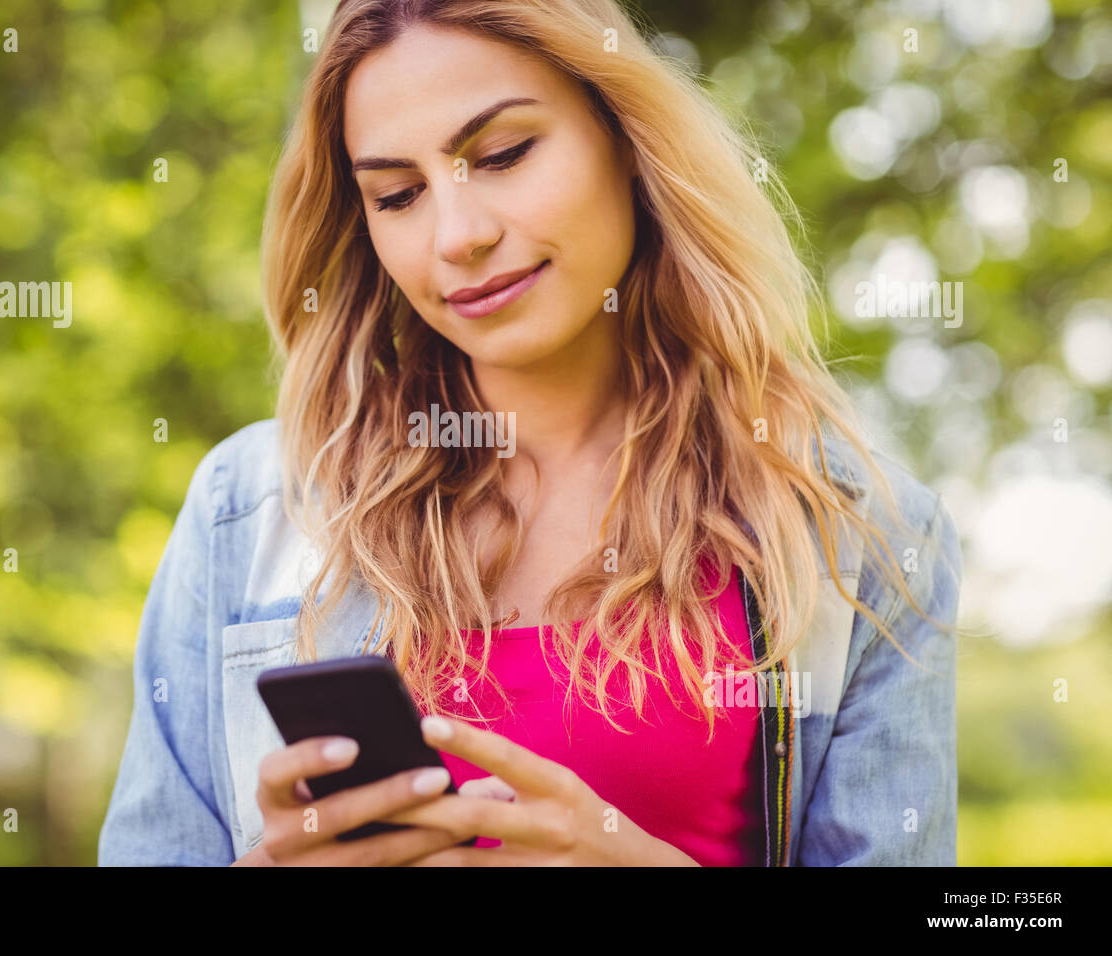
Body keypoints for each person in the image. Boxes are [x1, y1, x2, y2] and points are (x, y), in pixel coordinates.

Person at [99, 0, 962, 867]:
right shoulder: (247, 510)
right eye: (397, 196)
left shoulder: (856, 531)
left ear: (624, 138)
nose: (460, 236)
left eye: (505, 155)